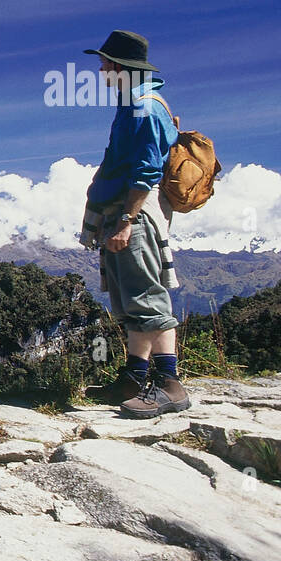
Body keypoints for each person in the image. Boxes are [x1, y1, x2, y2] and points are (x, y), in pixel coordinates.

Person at [78, 30, 191, 418]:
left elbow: (145, 171)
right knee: (130, 300)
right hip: (125, 214)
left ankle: (169, 385)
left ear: (121, 67)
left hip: (135, 216)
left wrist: (126, 219)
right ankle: (134, 376)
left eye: (105, 63)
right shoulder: (132, 106)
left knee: (146, 298)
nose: (101, 69)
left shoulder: (143, 109)